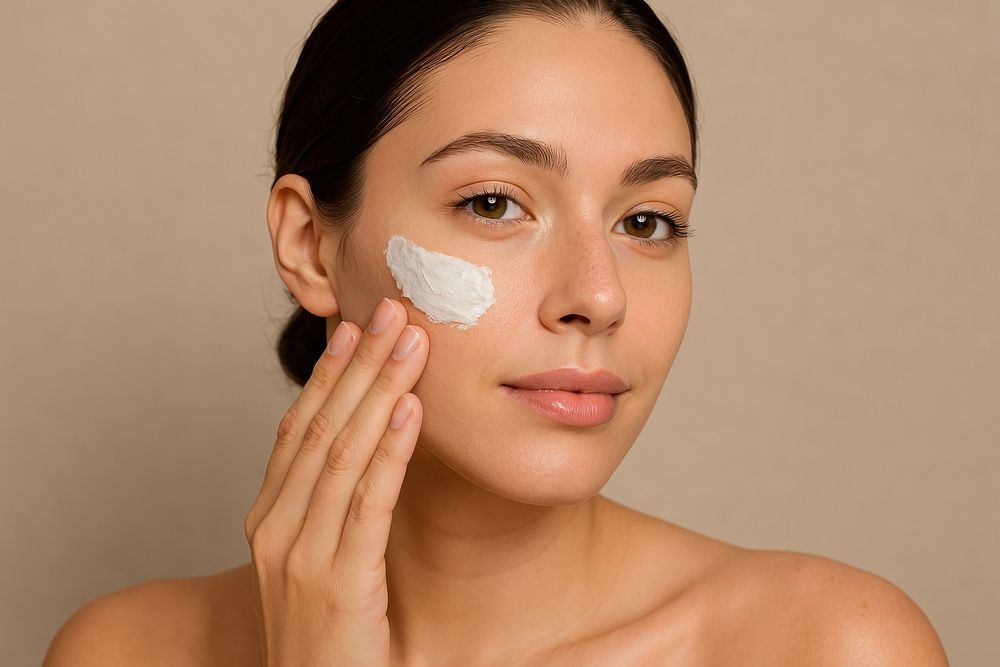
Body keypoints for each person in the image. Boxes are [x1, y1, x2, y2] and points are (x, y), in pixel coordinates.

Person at [44, 1, 949, 664]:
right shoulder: (124, 652)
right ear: (310, 245)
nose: (599, 295)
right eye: (493, 203)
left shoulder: (827, 647)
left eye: (646, 221)